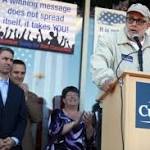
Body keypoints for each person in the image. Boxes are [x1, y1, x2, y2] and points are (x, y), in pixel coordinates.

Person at [91, 3, 150, 91]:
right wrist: (105, 79)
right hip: (118, 98)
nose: (134, 24)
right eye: (130, 19)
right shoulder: (109, 40)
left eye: (140, 21)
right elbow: (99, 63)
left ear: (148, 25)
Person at [10, 59, 42, 150]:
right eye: (16, 72)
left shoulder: (31, 96)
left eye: (22, 73)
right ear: (8, 72)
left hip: (23, 145)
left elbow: (37, 118)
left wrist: (25, 97)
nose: (19, 76)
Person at [0, 47, 27, 150]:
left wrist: (14, 140)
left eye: (11, 60)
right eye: (5, 59)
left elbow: (22, 120)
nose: (8, 62)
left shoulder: (19, 92)